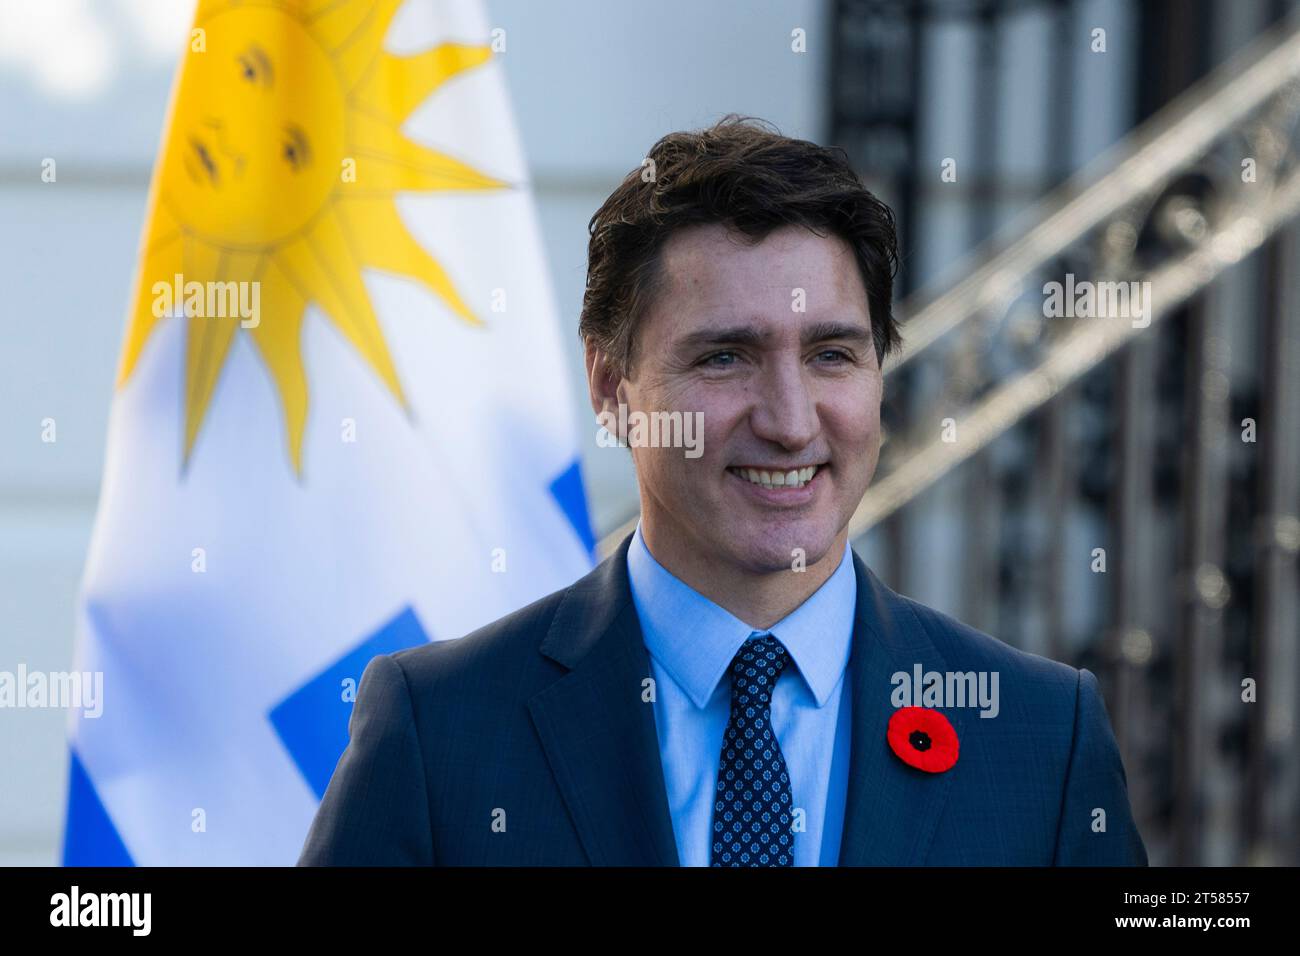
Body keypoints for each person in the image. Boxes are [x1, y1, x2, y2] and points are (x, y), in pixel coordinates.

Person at [298, 115, 1148, 866]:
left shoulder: (1039, 737)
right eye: (725, 356)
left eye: (832, 354)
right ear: (611, 387)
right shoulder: (440, 730)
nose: (789, 421)